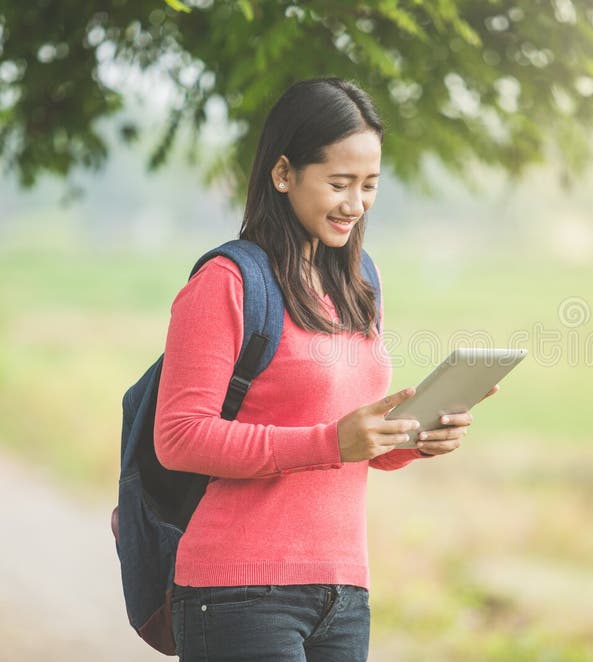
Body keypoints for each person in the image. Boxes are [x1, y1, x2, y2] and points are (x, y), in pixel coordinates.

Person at [153, 77, 497, 662]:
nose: (356, 204)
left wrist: (413, 439)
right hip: (239, 589)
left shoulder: (362, 285)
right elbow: (179, 438)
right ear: (284, 173)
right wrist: (330, 441)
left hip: (343, 589)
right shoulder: (227, 283)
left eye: (369, 186)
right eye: (339, 184)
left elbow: (349, 448)